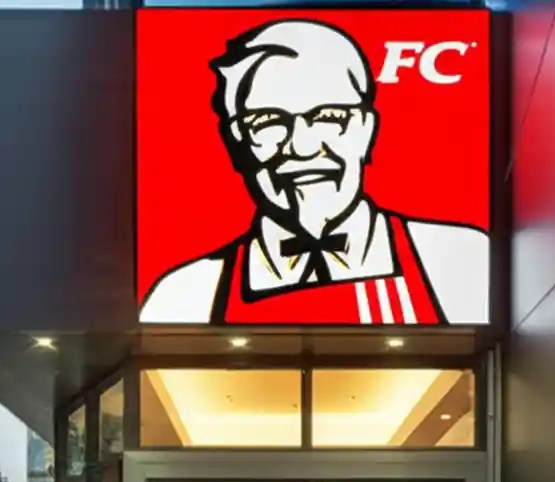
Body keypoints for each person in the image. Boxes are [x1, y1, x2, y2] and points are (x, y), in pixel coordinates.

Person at [139, 19, 489, 326]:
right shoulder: (186, 295)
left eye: (329, 117)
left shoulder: (458, 258)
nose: (303, 147)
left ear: (367, 129)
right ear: (237, 143)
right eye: (268, 122)